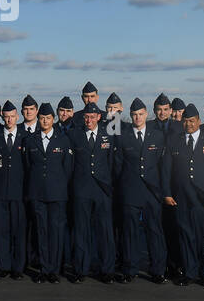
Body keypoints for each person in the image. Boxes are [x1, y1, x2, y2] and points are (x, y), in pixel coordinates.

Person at [164, 102, 204, 287]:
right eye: (186, 121)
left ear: (199, 121)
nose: (189, 124)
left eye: (192, 121)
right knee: (186, 236)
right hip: (182, 198)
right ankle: (189, 272)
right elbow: (166, 170)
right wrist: (167, 193)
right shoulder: (174, 141)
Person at [115, 98, 170, 284]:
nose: (137, 117)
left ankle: (158, 270)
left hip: (151, 192)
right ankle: (129, 268)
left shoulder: (158, 136)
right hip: (130, 191)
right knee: (129, 232)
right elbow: (118, 166)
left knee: (155, 231)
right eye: (134, 115)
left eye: (140, 114)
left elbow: (163, 166)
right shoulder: (123, 136)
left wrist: (162, 191)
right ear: (130, 116)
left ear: (147, 114)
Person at [67, 101, 117, 283]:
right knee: (81, 231)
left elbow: (112, 163)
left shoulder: (109, 135)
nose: (89, 120)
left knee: (105, 231)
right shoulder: (74, 135)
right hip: (81, 189)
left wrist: (109, 186)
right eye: (86, 117)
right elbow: (70, 165)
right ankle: (81, 269)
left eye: (92, 117)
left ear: (99, 117)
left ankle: (107, 270)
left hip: (102, 190)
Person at [24, 103, 72, 283]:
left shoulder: (63, 139)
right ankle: (44, 269)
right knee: (41, 231)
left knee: (56, 231)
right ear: (39, 119)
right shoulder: (30, 140)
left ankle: (54, 270)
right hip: (37, 192)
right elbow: (29, 166)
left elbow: (67, 168)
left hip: (57, 193)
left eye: (48, 118)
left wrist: (58, 185)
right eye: (42, 118)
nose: (45, 121)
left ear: (54, 119)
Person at [0, 100, 27, 280]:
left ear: (17, 117)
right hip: (0, 193)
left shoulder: (25, 137)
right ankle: (3, 266)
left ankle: (17, 267)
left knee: (18, 232)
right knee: (2, 231)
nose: (9, 120)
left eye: (12, 117)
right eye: (6, 117)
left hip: (19, 193)